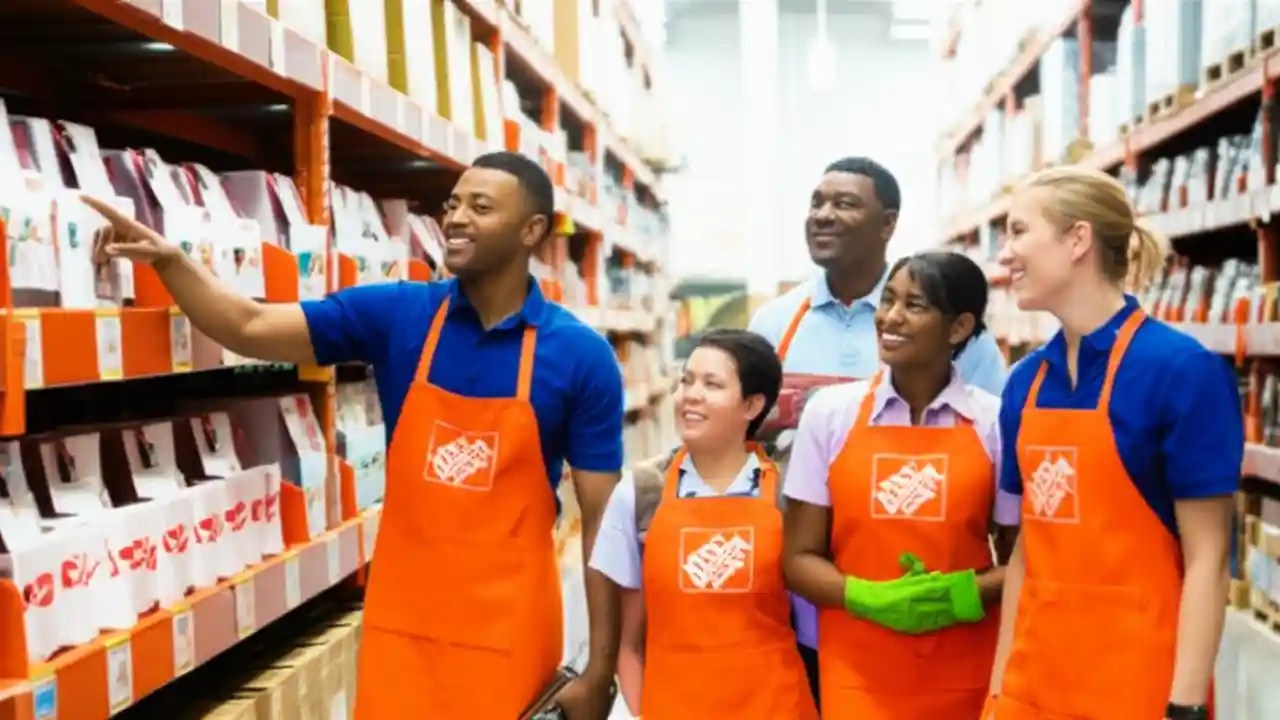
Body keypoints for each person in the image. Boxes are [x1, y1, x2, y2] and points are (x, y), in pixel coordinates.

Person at [83, 152, 624, 720]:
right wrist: (170, 261)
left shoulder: (581, 357)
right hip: (403, 628)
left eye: (480, 207)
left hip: (510, 633)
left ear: (531, 230)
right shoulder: (400, 315)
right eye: (453, 204)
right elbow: (249, 326)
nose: (457, 218)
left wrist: (600, 672)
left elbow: (604, 528)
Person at [747, 156, 1009, 698]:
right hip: (806, 599)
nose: (823, 215)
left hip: (955, 639)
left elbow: (1003, 504)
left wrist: (960, 592)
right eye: (816, 202)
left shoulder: (982, 390)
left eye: (844, 203)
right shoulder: (774, 324)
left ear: (888, 223)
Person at [985, 165, 1239, 720]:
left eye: (1019, 231)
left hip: (1138, 686)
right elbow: (1030, 548)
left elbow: (1208, 559)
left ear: (1078, 240)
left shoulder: (1181, 372)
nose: (1005, 254)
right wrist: (1000, 690)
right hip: (1035, 684)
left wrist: (1186, 706)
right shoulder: (1025, 384)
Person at [782, 251, 1017, 718]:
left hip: (966, 663)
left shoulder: (995, 423)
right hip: (857, 664)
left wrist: (962, 594)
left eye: (915, 305)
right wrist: (868, 596)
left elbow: (1022, 558)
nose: (889, 317)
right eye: (887, 300)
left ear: (959, 327)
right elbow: (798, 557)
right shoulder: (830, 414)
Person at [588, 329, 819, 719]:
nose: (690, 395)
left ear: (752, 405)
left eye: (712, 384)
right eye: (686, 380)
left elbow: (814, 633)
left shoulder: (788, 497)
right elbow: (629, 644)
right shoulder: (643, 493)